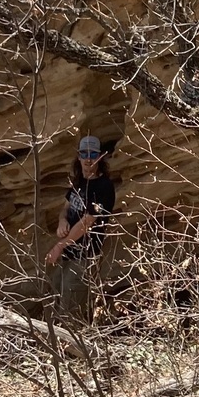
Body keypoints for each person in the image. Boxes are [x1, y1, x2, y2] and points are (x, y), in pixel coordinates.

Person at [45, 134, 115, 322]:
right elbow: (66, 207)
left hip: (85, 257)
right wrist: (62, 221)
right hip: (69, 254)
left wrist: (59, 246)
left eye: (93, 154)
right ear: (78, 156)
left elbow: (87, 221)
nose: (88, 158)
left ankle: (70, 350)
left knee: (70, 311)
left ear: (100, 157)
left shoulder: (104, 187)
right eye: (84, 154)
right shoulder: (80, 182)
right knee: (54, 299)